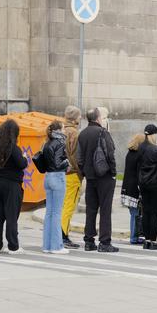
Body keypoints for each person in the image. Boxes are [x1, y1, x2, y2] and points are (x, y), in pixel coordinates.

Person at [76, 107, 118, 252]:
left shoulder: (82, 134)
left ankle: (89, 241)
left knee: (91, 209)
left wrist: (85, 172)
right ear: (98, 118)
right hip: (104, 176)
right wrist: (113, 172)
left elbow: (79, 158)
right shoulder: (103, 132)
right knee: (105, 210)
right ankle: (104, 242)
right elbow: (110, 154)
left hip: (90, 177)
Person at [0, 118, 27, 253]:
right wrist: (25, 158)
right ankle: (13, 246)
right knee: (11, 215)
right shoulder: (12, 148)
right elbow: (21, 164)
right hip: (12, 184)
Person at [33, 119, 69, 253]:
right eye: (63, 128)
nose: (65, 130)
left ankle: (47, 246)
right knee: (57, 213)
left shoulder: (46, 143)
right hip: (58, 177)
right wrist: (67, 162)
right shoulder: (60, 143)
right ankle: (56, 246)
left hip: (48, 177)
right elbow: (58, 163)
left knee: (49, 213)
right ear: (58, 130)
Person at [138, 124, 157, 249]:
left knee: (146, 211)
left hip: (144, 183)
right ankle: (153, 241)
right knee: (155, 212)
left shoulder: (140, 148)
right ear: (153, 135)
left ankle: (147, 240)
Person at [60, 106, 82, 249]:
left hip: (61, 173)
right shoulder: (74, 133)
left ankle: (60, 233)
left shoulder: (62, 130)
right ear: (74, 118)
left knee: (62, 205)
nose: (80, 118)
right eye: (79, 116)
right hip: (72, 173)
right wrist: (79, 171)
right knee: (69, 205)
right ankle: (64, 235)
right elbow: (75, 156)